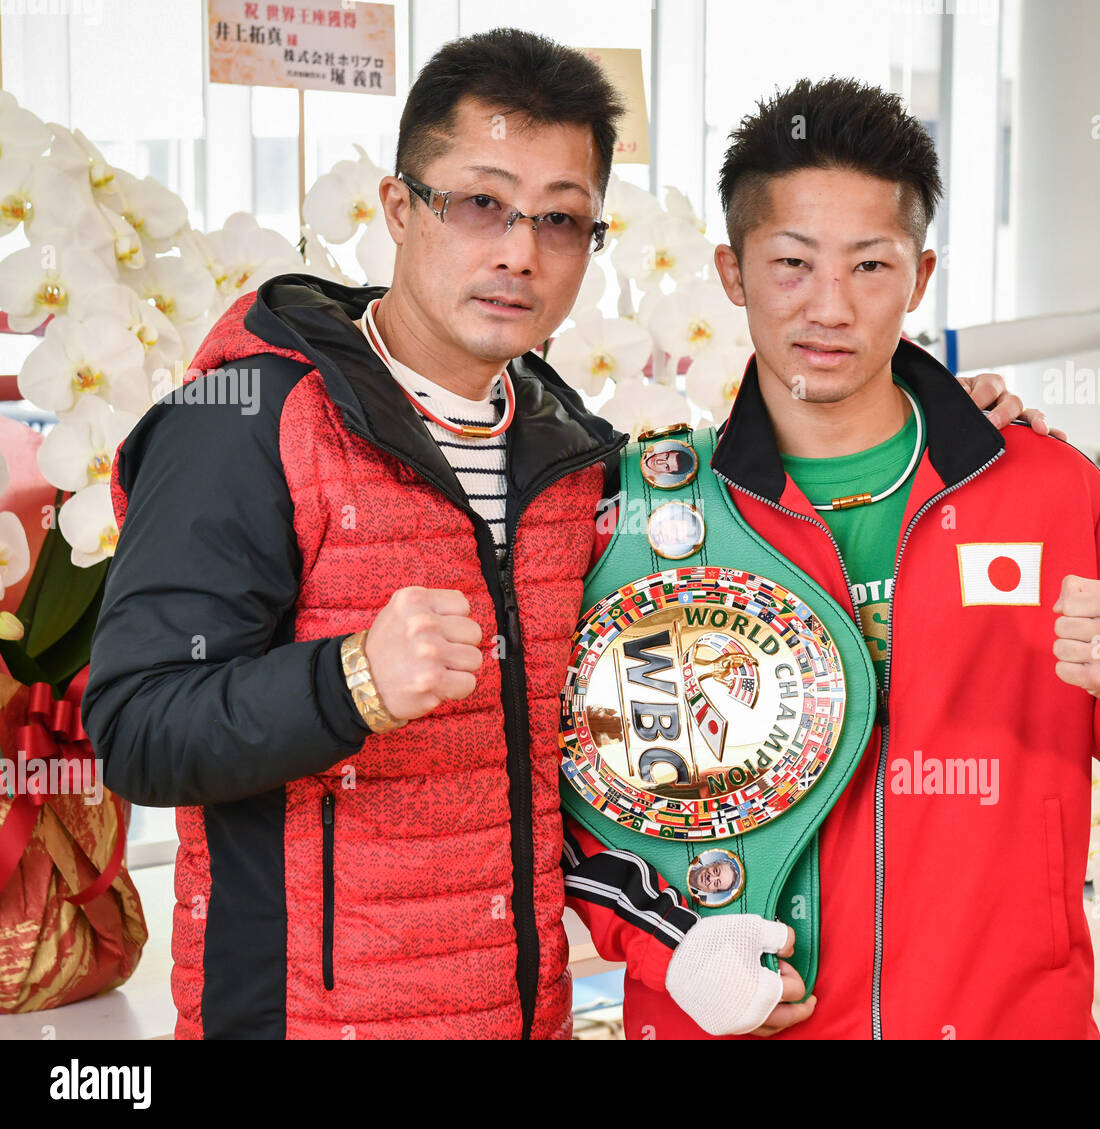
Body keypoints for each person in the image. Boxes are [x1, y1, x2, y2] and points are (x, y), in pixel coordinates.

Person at [81, 27, 1047, 1040]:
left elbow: (612, 739)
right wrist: (351, 680)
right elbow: (137, 731)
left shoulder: (569, 453)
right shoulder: (242, 420)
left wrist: (939, 424)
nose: (517, 251)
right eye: (479, 204)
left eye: (560, 219)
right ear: (400, 210)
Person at [560, 76, 1100, 1040]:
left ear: (919, 277)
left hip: (1003, 1015)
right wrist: (674, 948)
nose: (829, 306)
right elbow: (568, 787)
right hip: (756, 1020)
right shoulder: (648, 514)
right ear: (732, 273)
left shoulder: (1047, 488)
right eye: (791, 263)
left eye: (870, 267)